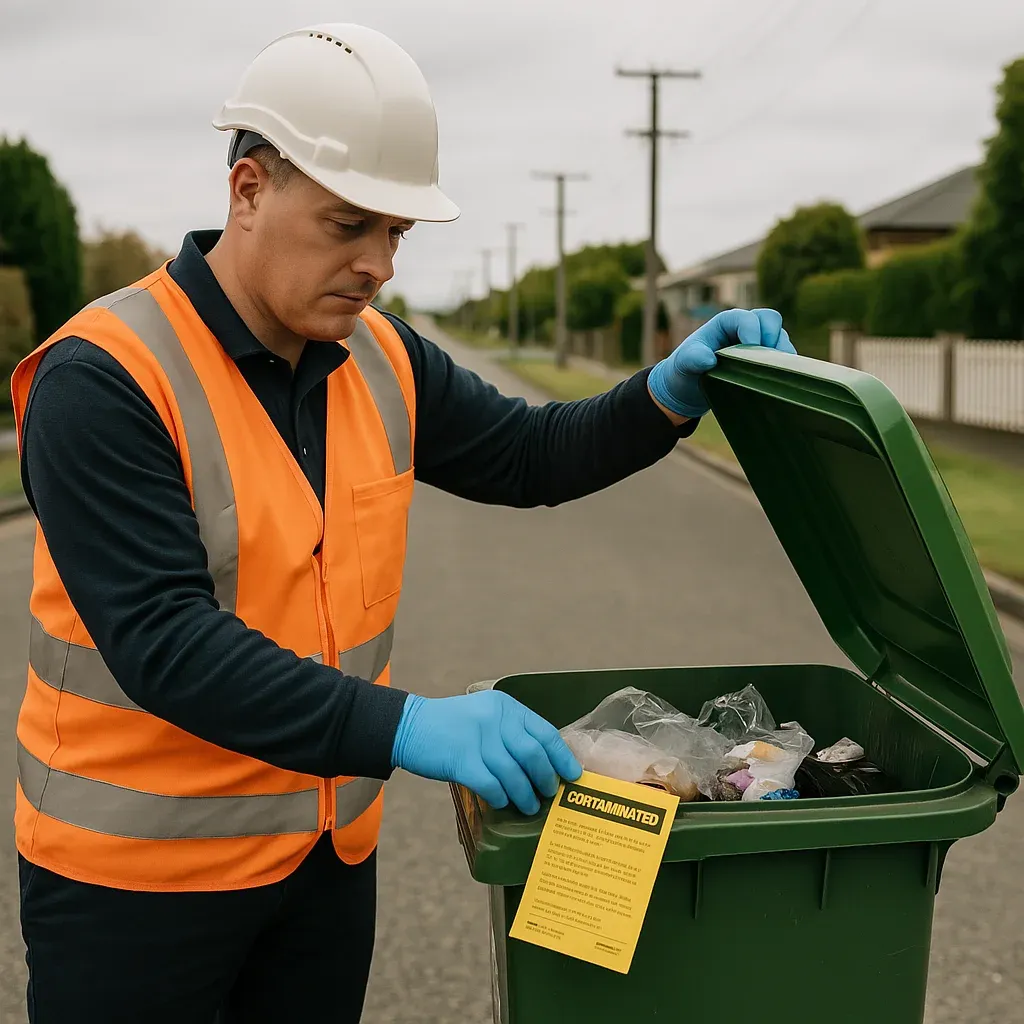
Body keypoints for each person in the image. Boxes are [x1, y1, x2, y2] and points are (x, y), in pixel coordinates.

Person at [11, 22, 795, 1024]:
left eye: (397, 235)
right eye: (350, 226)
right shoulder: (106, 377)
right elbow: (165, 642)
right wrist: (412, 726)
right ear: (248, 189)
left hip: (322, 867)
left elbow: (527, 453)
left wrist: (664, 395)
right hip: (135, 889)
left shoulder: (380, 354)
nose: (378, 264)